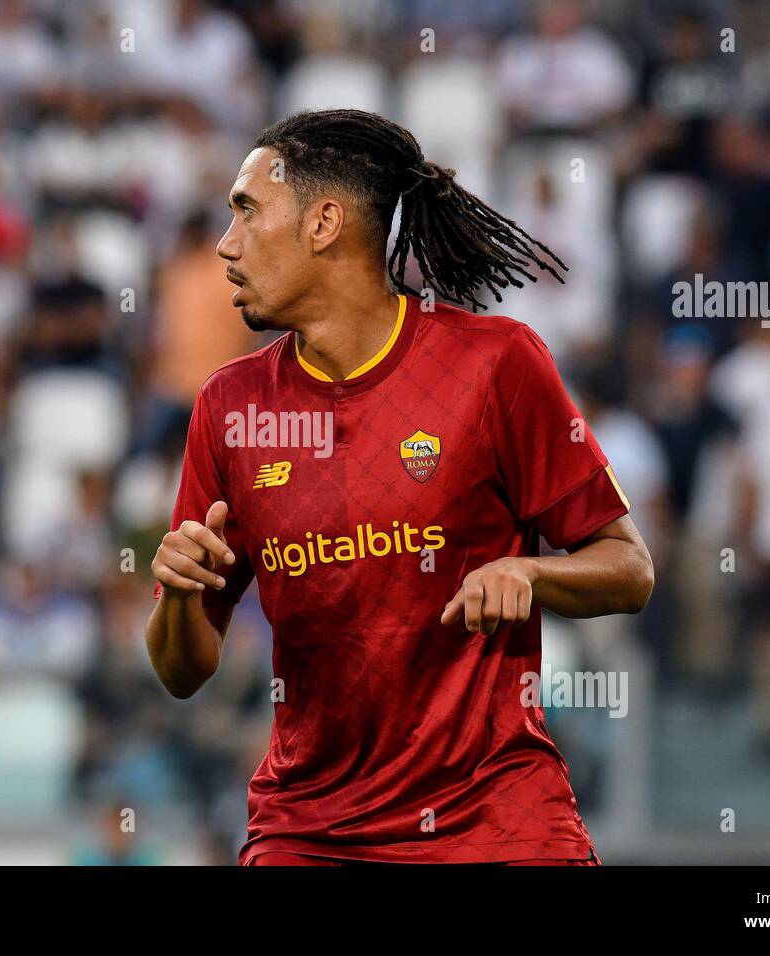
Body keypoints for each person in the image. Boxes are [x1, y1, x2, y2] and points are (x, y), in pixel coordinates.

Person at [145, 109, 654, 865]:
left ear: (324, 223)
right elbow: (182, 671)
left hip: (496, 819)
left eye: (247, 213)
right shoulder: (230, 407)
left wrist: (530, 571)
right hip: (310, 832)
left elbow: (631, 569)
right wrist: (181, 594)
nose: (226, 245)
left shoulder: (498, 365)